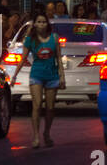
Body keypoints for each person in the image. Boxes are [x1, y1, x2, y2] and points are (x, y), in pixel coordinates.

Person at [10, 14, 66, 148]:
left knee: (50, 107)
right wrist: (14, 75)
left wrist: (62, 76)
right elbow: (23, 58)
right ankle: (35, 136)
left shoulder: (54, 38)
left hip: (52, 75)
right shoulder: (30, 39)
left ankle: (46, 132)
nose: (41, 24)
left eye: (44, 22)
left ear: (47, 24)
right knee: (37, 105)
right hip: (36, 75)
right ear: (35, 24)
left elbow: (58, 58)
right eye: (39, 22)